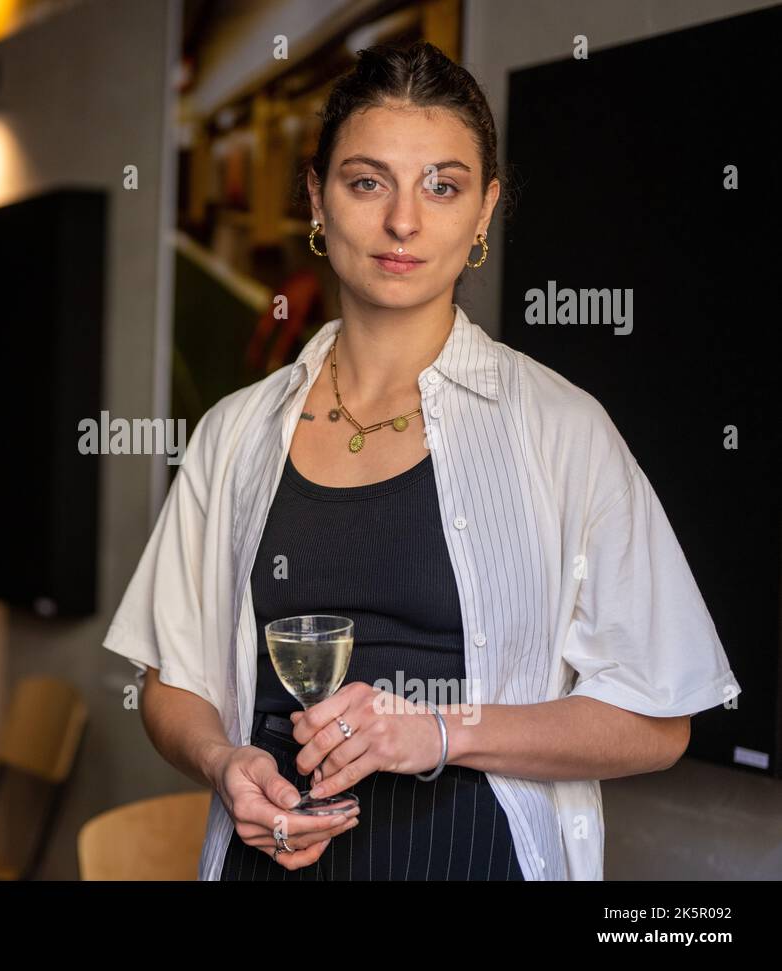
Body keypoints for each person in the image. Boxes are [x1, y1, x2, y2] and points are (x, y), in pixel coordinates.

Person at [101, 41, 740, 880]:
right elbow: (168, 681)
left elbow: (660, 722)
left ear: (484, 211)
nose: (404, 221)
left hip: (472, 858)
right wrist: (223, 763)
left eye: (443, 185)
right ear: (317, 199)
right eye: (368, 182)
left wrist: (445, 729)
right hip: (272, 860)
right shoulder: (234, 433)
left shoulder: (562, 429)